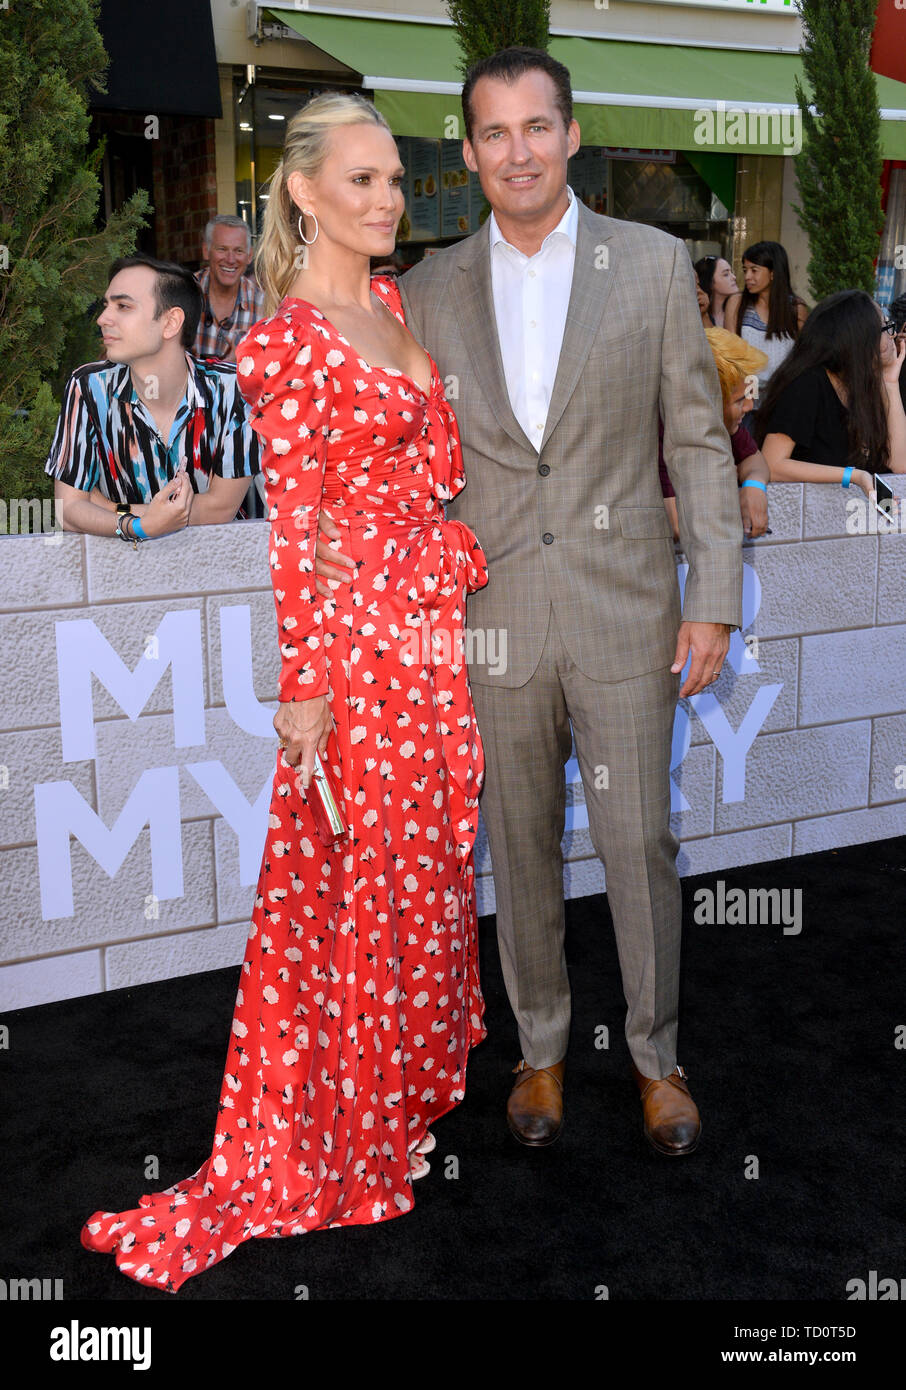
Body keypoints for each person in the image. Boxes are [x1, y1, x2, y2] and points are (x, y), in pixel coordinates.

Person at [80, 92, 488, 1291]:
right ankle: (340, 1134)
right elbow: (294, 533)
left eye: (395, 179)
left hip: (425, 643)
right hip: (356, 660)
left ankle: (394, 1103)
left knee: (418, 870)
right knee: (354, 889)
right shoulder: (287, 343)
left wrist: (405, 550)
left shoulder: (392, 305)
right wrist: (303, 691)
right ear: (303, 191)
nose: (387, 198)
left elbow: (428, 475)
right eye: (361, 179)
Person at [317, 48, 743, 1156]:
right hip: (489, 620)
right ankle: (541, 1049)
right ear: (467, 152)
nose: (518, 152)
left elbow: (700, 443)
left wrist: (712, 599)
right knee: (518, 846)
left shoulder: (650, 264)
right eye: (494, 133)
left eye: (536, 127)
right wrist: (336, 540)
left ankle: (656, 1059)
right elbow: (391, 454)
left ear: (571, 136)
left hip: (628, 613)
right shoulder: (423, 290)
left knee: (640, 843)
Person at [46, 255, 261, 540]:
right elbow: (68, 510)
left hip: (217, 559)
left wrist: (111, 509)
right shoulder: (88, 388)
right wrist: (140, 526)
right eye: (107, 305)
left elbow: (219, 510)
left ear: (171, 322)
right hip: (122, 565)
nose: (102, 318)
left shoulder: (233, 390)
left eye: (123, 306)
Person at [754, 289, 906, 496]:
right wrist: (853, 476)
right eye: (885, 328)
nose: (893, 335)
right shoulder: (807, 384)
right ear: (859, 340)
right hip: (801, 509)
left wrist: (890, 381)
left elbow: (899, 465)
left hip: (844, 512)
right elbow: (772, 464)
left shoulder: (868, 384)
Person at [658, 328, 770, 541]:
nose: (749, 406)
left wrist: (754, 485)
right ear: (706, 401)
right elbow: (678, 524)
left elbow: (754, 459)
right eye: (740, 400)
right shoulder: (661, 434)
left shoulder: (724, 425)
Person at [724, 241, 808, 405]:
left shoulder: (795, 308)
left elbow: (803, 358)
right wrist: (748, 398)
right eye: (745, 270)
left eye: (754, 270)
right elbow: (731, 356)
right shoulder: (737, 303)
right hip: (746, 397)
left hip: (783, 397)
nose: (747, 276)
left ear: (773, 273)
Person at [193, 214, 265, 364]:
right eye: (222, 249)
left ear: (249, 256)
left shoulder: (264, 306)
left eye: (238, 251)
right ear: (206, 251)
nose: (231, 259)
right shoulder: (185, 292)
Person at [695, 255, 739, 328]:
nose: (734, 277)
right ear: (710, 282)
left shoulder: (742, 311)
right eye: (726, 274)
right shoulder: (698, 315)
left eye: (732, 272)